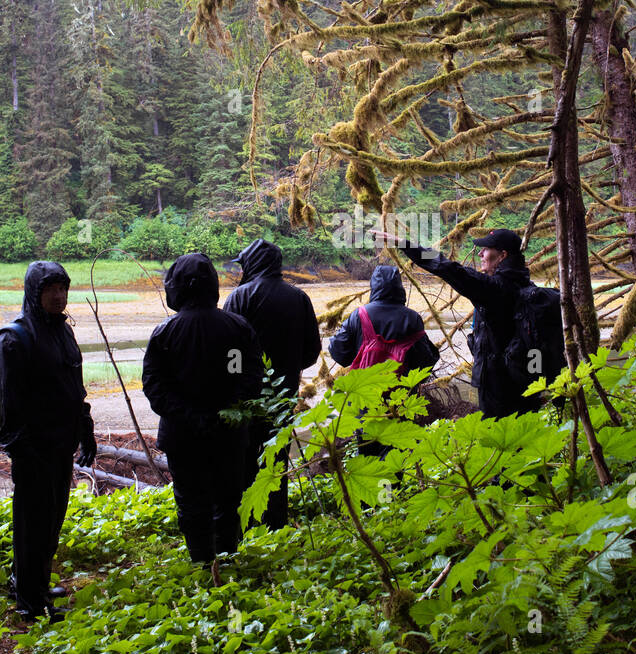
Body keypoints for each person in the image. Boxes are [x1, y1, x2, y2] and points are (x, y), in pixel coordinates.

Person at [0, 261, 96, 622]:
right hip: (32, 447)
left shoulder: (63, 332)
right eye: (51, 289)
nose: (58, 295)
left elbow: (74, 386)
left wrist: (86, 429)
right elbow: (9, 403)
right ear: (34, 292)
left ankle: (34, 582)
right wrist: (21, 448)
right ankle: (29, 599)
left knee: (52, 518)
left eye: (63, 288)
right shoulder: (15, 338)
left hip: (60, 443)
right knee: (32, 522)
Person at [143, 253, 263, 565]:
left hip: (183, 435)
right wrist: (225, 414)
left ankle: (201, 560)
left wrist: (190, 417)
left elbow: (156, 387)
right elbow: (244, 376)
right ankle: (225, 557)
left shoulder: (166, 334)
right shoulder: (235, 329)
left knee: (191, 498)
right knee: (228, 497)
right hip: (228, 433)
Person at [389, 227, 543, 418]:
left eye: (486, 249)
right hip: (528, 384)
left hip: (499, 387)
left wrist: (405, 245)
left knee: (499, 442)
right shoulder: (528, 287)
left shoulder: (493, 289)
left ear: (502, 255)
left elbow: (448, 268)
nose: (480, 253)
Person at [222, 239, 322, 530]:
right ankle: (276, 522)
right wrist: (288, 369)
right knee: (276, 459)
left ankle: (248, 523)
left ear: (251, 264)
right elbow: (311, 351)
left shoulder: (239, 297)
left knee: (245, 459)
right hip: (284, 395)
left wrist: (237, 379)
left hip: (245, 398)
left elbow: (231, 351)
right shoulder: (299, 298)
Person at [329, 263, 440, 456]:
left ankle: (377, 486)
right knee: (395, 455)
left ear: (374, 287)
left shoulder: (359, 315)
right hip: (401, 400)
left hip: (366, 401)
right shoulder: (412, 318)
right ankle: (391, 486)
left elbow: (338, 353)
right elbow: (427, 360)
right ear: (399, 287)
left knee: (368, 454)